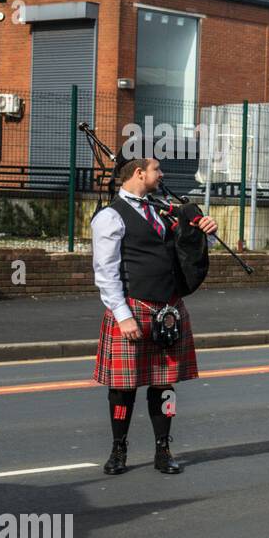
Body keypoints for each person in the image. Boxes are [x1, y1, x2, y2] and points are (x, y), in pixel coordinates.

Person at [91, 153, 218, 475]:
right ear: (139, 173)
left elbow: (186, 248)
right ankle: (118, 450)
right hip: (135, 308)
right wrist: (122, 315)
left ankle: (164, 449)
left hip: (169, 308)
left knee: (165, 385)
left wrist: (204, 230)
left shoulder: (160, 210)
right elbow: (105, 272)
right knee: (123, 387)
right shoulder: (110, 217)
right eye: (156, 169)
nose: (161, 175)